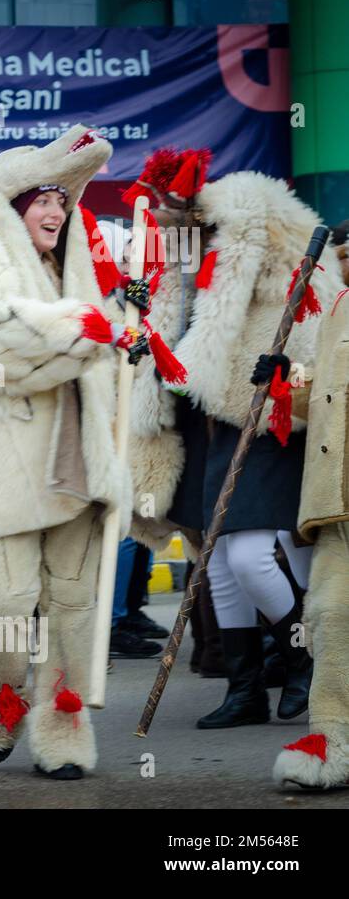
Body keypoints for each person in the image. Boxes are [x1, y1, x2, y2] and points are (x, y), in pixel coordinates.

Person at [0, 125, 133, 780]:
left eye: (60, 200)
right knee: (5, 607)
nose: (54, 211)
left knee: (74, 608)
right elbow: (8, 358)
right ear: (12, 211)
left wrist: (123, 338)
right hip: (0, 469)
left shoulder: (85, 275)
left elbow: (109, 360)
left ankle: (64, 725)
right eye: (39, 200)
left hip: (76, 461)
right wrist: (87, 335)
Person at [157, 169, 342, 730]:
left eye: (215, 227)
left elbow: (324, 376)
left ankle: (302, 655)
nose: (208, 237)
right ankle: (244, 689)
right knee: (217, 565)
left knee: (247, 555)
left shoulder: (304, 282)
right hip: (213, 429)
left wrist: (288, 374)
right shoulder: (200, 280)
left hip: (271, 433)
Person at [273, 279, 349, 789]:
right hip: (338, 501)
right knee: (329, 614)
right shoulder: (342, 306)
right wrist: (287, 380)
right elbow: (327, 388)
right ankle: (334, 744)